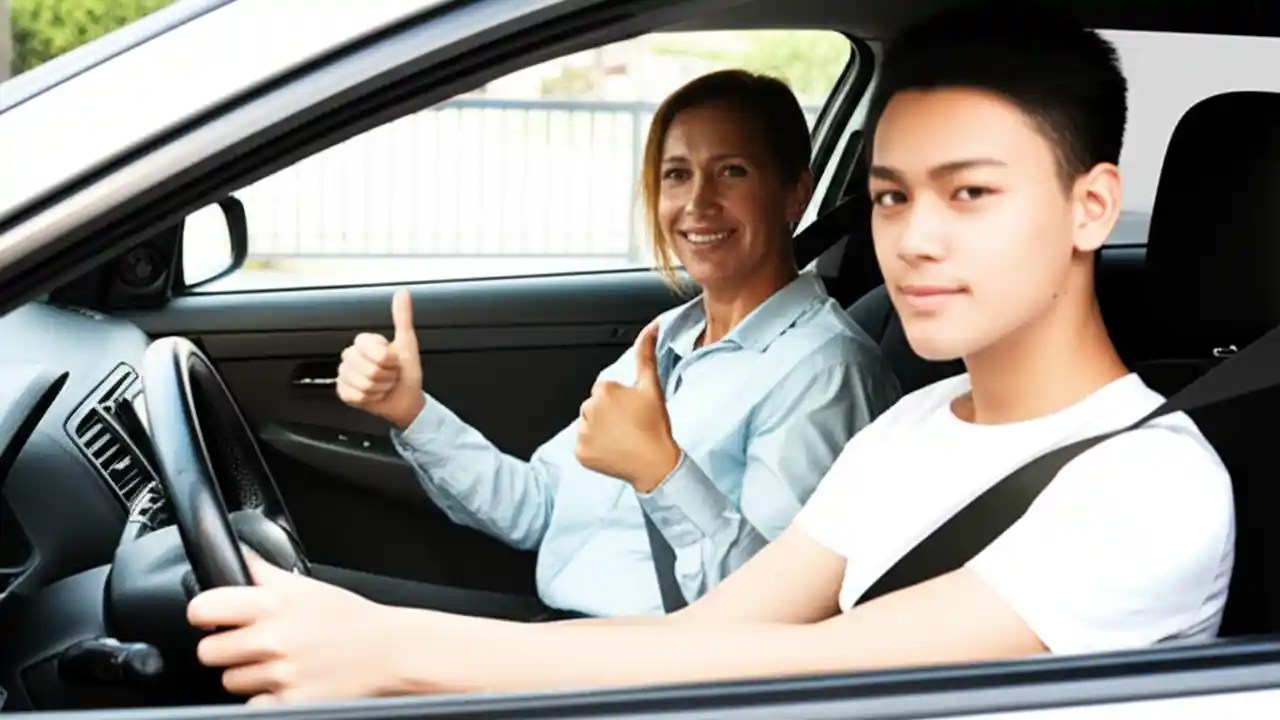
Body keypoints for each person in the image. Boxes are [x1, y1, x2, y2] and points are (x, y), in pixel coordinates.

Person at [186, 3, 1235, 703]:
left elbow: (809, 668)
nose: (912, 239)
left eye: (969, 193)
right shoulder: (918, 424)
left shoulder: (1151, 485)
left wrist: (396, 653)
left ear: (1089, 205)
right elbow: (716, 633)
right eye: (888, 195)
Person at [326, 69, 899, 620]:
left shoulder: (825, 372)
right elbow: (536, 508)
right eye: (676, 174)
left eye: (732, 172)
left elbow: (774, 616)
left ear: (794, 194)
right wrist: (411, 412)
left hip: (653, 675)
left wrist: (663, 474)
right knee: (302, 599)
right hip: (563, 629)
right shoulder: (666, 339)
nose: (698, 202)